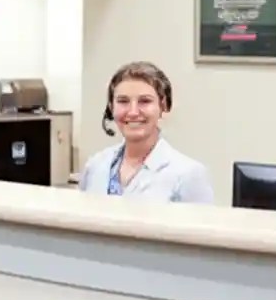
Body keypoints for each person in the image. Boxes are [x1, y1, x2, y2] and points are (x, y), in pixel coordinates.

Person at [77, 61, 214, 203]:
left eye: (145, 101)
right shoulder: (95, 165)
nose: (133, 112)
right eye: (123, 101)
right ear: (111, 107)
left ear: (163, 106)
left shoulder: (189, 175)